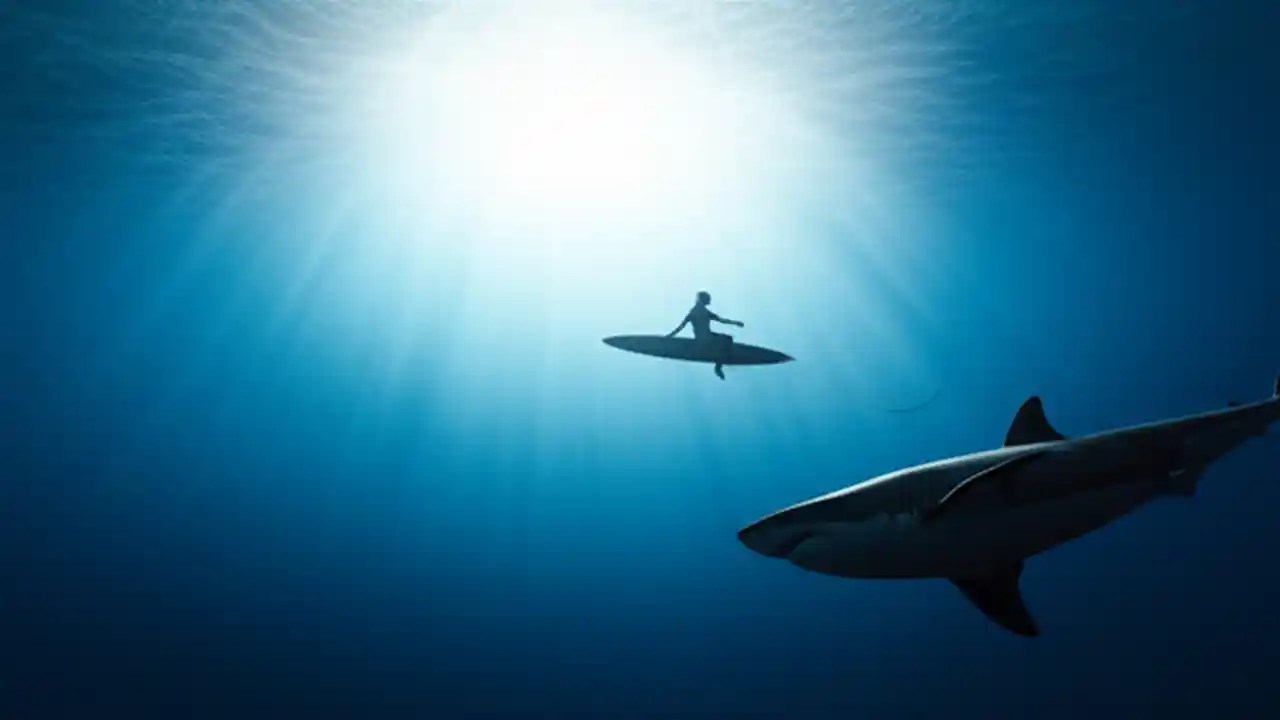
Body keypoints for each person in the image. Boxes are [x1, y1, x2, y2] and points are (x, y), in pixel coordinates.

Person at [666, 291, 744, 380]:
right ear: (703, 299)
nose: (709, 301)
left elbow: (722, 320)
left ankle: (718, 361)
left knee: (727, 339)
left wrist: (736, 323)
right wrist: (669, 338)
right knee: (727, 339)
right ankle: (718, 366)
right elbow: (681, 326)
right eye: (708, 299)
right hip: (703, 338)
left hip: (706, 337)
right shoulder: (695, 312)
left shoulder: (703, 311)